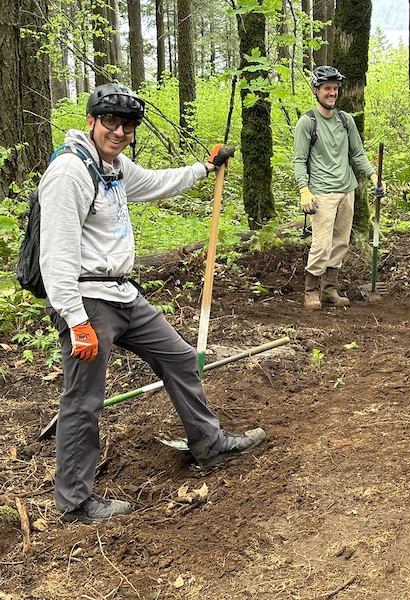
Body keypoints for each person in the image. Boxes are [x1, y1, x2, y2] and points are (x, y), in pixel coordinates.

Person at [39, 83, 266, 525]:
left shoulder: (115, 168)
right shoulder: (70, 173)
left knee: (179, 357)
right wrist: (75, 319)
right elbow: (56, 253)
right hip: (87, 301)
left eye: (128, 125)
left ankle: (208, 443)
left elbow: (159, 182)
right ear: (91, 121)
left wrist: (204, 167)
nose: (120, 131)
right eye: (111, 122)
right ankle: (73, 501)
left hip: (122, 293)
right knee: (84, 400)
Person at [292, 65, 385, 310]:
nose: (332, 93)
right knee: (321, 244)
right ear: (316, 90)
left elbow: (358, 153)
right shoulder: (307, 123)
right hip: (322, 192)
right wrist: (304, 189)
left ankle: (329, 291)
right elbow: (300, 159)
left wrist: (373, 175)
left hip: (347, 189)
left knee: (341, 241)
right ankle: (311, 291)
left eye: (335, 89)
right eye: (327, 89)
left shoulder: (346, 121)